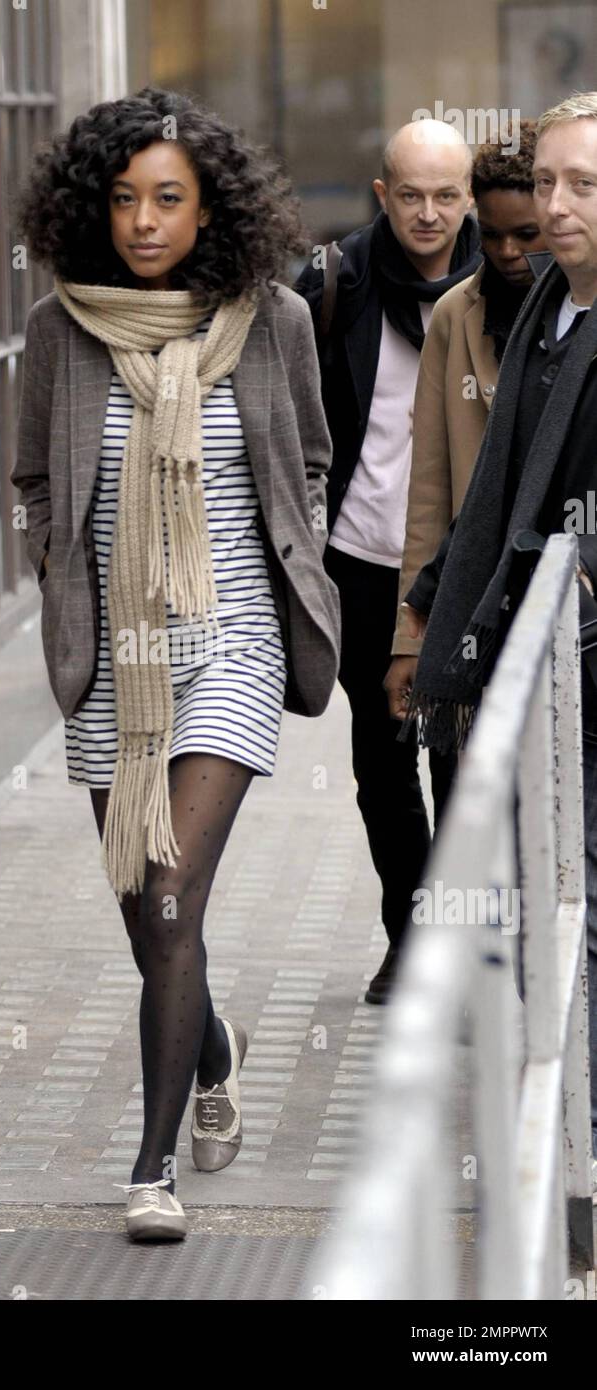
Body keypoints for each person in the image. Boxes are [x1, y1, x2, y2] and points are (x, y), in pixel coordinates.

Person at [9, 87, 340, 1241]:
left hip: (234, 640)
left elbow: (307, 458)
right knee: (150, 919)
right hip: (114, 660)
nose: (144, 221)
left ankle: (151, 1167)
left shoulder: (275, 321)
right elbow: (34, 481)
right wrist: (57, 561)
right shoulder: (61, 329)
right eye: (123, 198)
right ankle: (213, 1040)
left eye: (168, 199)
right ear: (90, 209)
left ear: (212, 210)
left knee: (167, 892)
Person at [401, 92, 597, 1166]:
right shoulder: (545, 310)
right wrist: (433, 598)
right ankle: (555, 1120)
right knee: (538, 890)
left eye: (583, 187)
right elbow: (487, 495)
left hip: (575, 657)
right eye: (551, 182)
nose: (557, 208)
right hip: (522, 647)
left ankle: (577, 1146)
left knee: (579, 891)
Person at [294, 120, 482, 1002]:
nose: (429, 213)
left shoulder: (507, 280)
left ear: (470, 196)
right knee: (382, 760)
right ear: (383, 195)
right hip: (361, 565)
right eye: (411, 194)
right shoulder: (338, 282)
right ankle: (407, 937)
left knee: (458, 756)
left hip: (463, 565)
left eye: (447, 195)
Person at [385, 122, 550, 722]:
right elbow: (428, 491)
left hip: (560, 594)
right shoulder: (456, 314)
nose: (508, 253)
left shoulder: (578, 312)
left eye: (527, 235)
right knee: (461, 792)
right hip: (468, 595)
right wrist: (410, 638)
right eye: (494, 236)